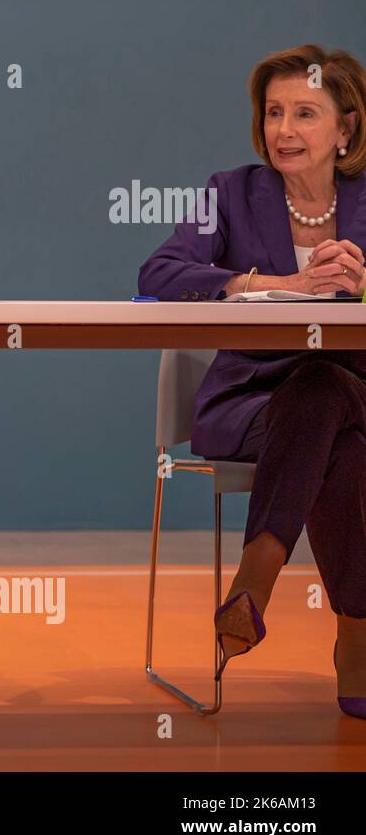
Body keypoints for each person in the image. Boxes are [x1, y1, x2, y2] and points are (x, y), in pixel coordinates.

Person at [138, 44, 366, 718]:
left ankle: (254, 581)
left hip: (354, 391)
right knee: (332, 421)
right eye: (273, 113)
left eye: (305, 113)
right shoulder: (232, 193)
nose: (285, 131)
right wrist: (273, 284)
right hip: (254, 402)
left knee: (328, 392)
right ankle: (355, 637)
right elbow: (159, 274)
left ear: (345, 130)